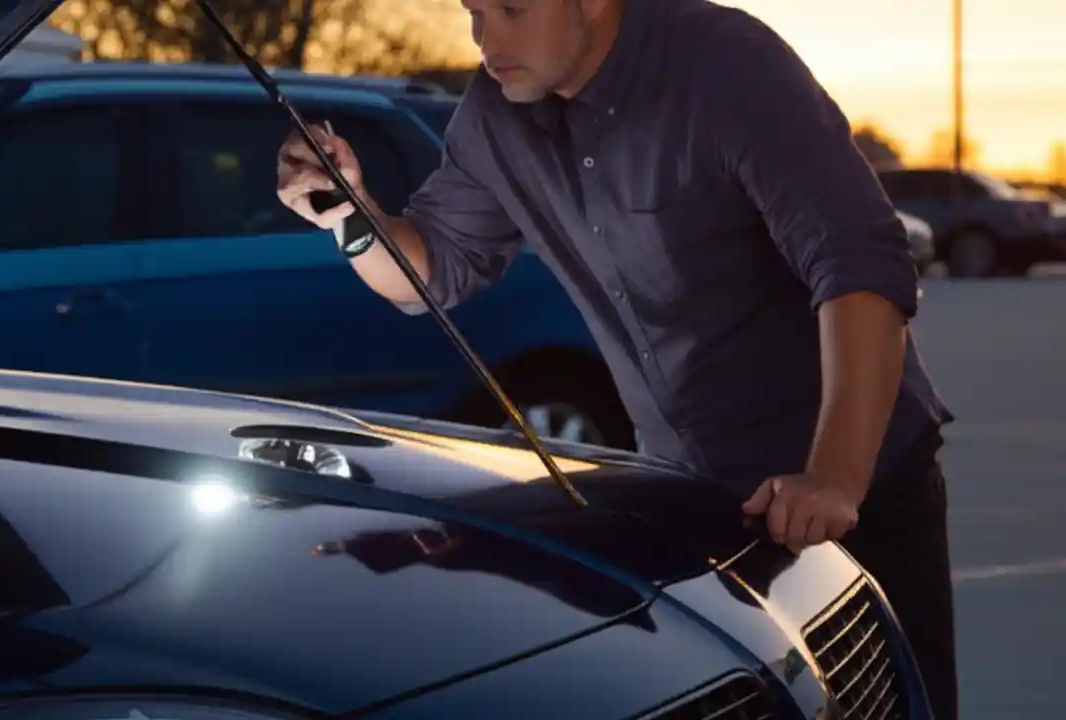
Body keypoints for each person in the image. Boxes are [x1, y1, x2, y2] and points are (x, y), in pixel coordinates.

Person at [276, 0, 957, 716]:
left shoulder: (726, 65)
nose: (485, 40)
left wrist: (834, 477)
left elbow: (860, 261)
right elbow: (431, 273)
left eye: (510, 10)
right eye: (474, 11)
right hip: (692, 499)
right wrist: (349, 213)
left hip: (856, 492)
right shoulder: (498, 111)